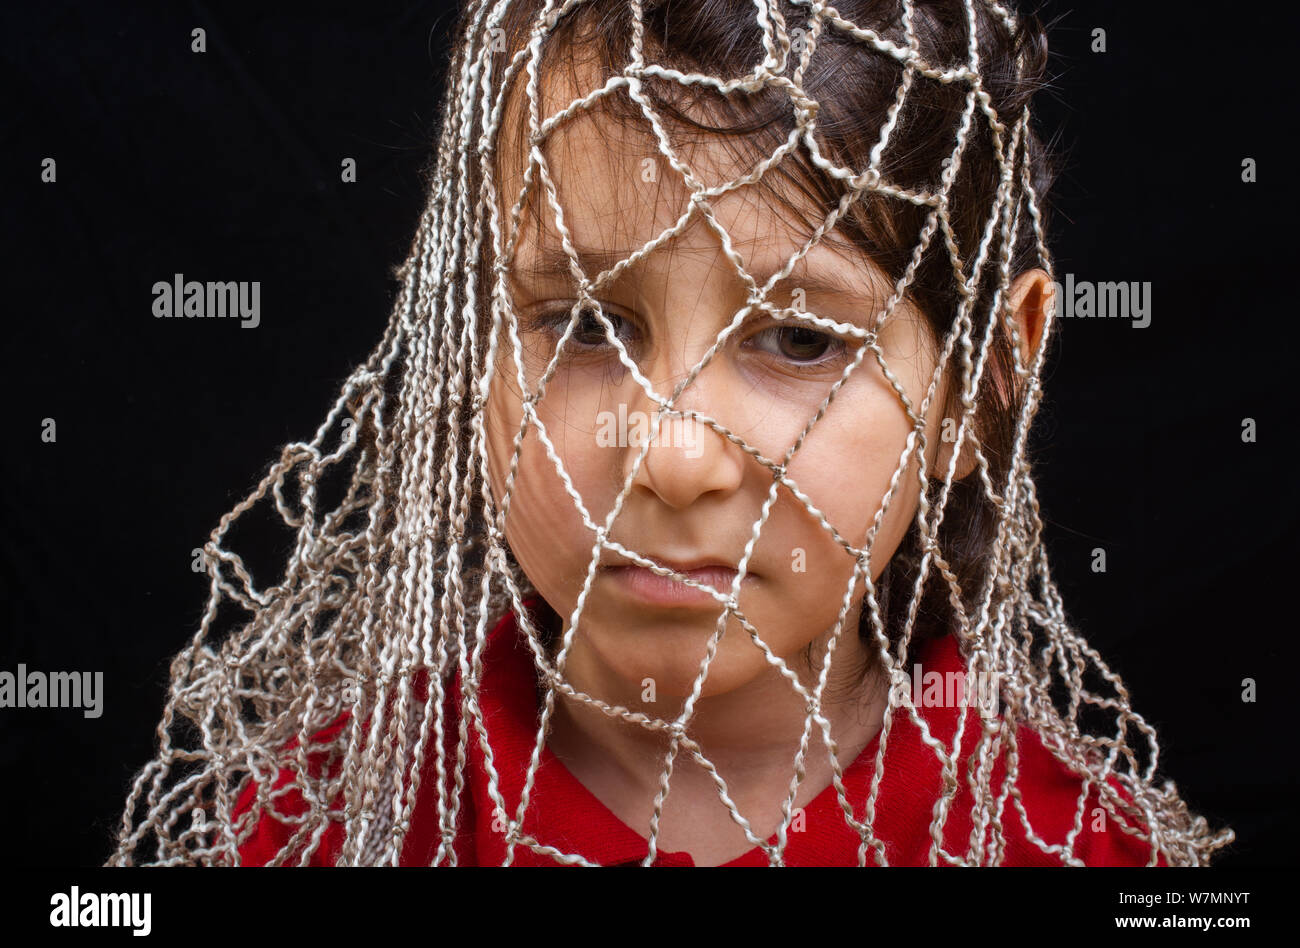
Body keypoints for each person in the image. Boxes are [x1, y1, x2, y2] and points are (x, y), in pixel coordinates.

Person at [111, 0, 1234, 866]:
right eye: (585, 324)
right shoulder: (331, 819)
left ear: (980, 386)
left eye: (798, 339)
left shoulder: (1074, 848)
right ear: (467, 340)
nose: (674, 455)